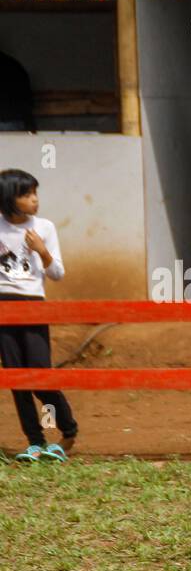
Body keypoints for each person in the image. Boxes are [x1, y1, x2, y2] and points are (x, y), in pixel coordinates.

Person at [0, 169, 76, 463]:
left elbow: (57, 274)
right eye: (26, 194)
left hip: (32, 304)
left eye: (35, 193)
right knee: (17, 378)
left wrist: (42, 251)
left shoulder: (44, 227)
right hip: (2, 307)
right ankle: (35, 441)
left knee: (40, 376)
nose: (35, 200)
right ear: (9, 199)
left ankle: (67, 430)